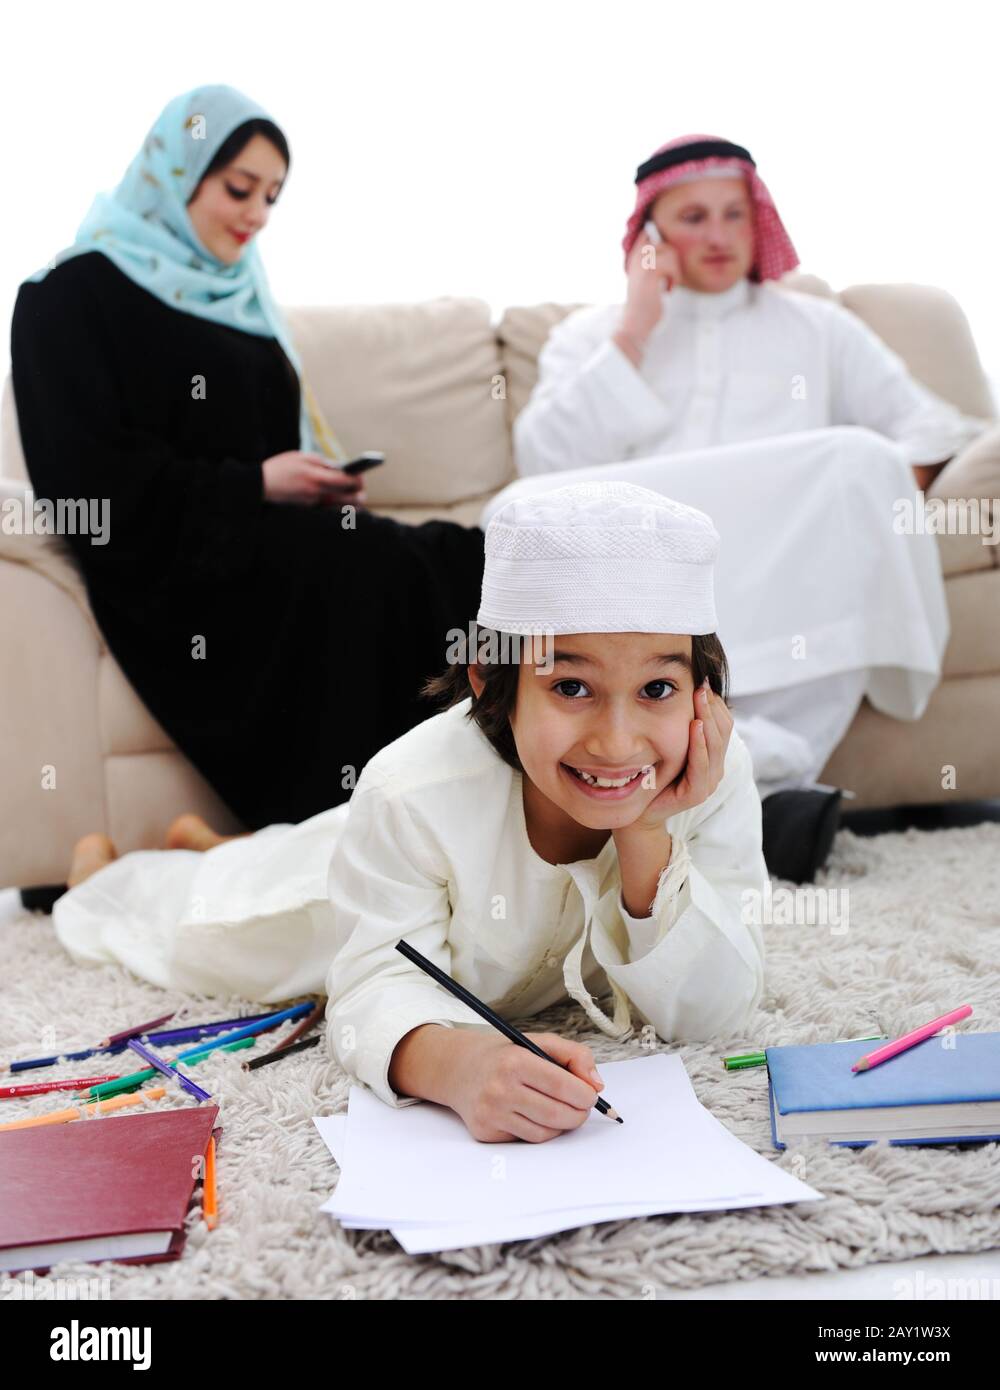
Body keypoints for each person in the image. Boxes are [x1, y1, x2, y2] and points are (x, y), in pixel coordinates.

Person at [54, 482, 768, 1143]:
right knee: (193, 916)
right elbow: (371, 988)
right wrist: (461, 1066)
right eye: (572, 687)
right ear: (494, 680)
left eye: (657, 689)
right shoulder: (410, 791)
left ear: (702, 692)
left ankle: (212, 841)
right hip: (318, 900)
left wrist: (647, 833)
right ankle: (111, 872)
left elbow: (712, 1011)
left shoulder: (707, 770)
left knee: (276, 847)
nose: (617, 743)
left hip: (356, 843)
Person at [504, 133, 989, 878]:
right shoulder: (595, 335)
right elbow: (548, 465)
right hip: (647, 547)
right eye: (694, 216)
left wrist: (862, 495)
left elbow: (929, 430)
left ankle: (758, 775)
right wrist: (635, 330)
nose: (721, 234)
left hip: (789, 536)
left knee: (862, 463)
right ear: (650, 235)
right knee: (519, 505)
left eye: (735, 214)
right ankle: (747, 813)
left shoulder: (818, 328)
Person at [10, 84, 487, 833]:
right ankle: (361, 827)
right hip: (166, 565)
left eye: (271, 196)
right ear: (177, 171)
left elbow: (267, 450)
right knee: (368, 565)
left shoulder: (243, 300)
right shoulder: (66, 296)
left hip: (272, 543)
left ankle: (489, 816)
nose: (256, 215)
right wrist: (257, 484)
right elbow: (86, 481)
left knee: (465, 556)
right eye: (239, 189)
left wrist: (305, 485)